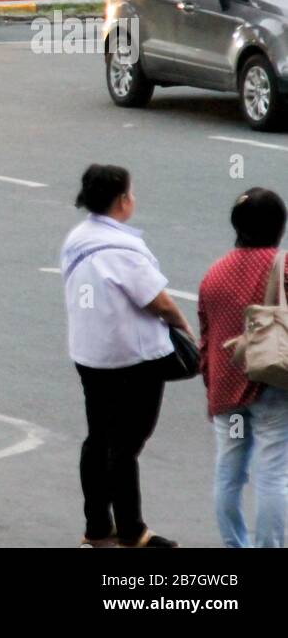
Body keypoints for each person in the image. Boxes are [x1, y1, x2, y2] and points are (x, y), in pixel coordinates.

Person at [60, 164, 189, 548]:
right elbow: (159, 302)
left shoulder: (77, 237)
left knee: (98, 438)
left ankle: (97, 527)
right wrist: (184, 327)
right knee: (127, 445)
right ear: (122, 200)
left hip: (89, 353)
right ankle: (133, 532)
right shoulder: (125, 251)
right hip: (134, 359)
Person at [198, 188, 288, 548]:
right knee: (272, 473)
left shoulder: (213, 274)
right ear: (279, 227)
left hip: (227, 392)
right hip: (272, 385)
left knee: (229, 474)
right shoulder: (283, 266)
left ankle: (235, 544)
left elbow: (206, 339)